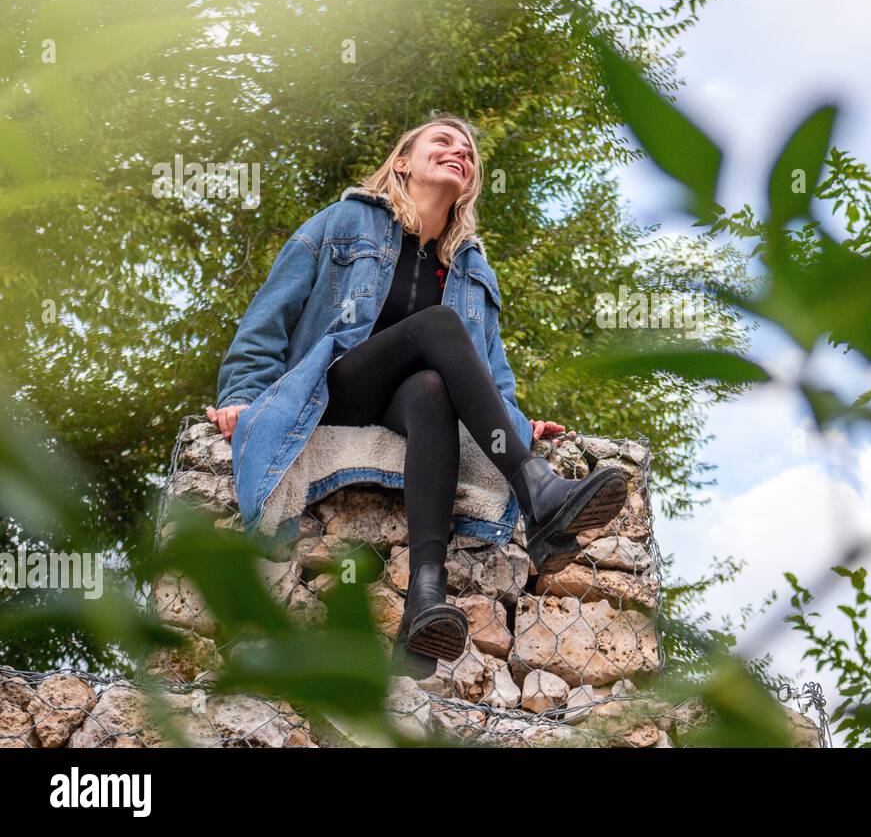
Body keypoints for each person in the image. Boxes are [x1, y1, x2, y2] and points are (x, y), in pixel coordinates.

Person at [205, 114, 629, 678]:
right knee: (439, 325)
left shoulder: (472, 267)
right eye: (444, 142)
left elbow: (490, 369)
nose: (461, 153)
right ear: (403, 162)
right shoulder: (343, 221)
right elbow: (269, 317)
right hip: (330, 388)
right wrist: (243, 395)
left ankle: (424, 601)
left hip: (399, 402)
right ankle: (539, 494)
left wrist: (516, 422)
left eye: (469, 152)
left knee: (433, 388)